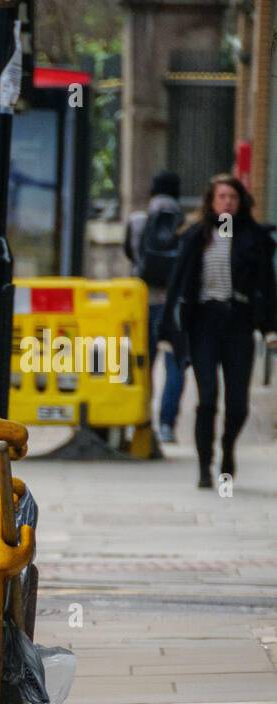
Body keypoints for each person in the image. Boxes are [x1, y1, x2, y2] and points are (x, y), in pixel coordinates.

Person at [163, 173, 277, 488]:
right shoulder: (197, 236)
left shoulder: (253, 238)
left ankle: (227, 447)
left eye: (233, 197)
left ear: (241, 202)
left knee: (238, 403)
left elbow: (267, 285)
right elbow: (178, 284)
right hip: (204, 322)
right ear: (211, 202)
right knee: (208, 397)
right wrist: (168, 331)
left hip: (238, 321)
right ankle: (204, 467)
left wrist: (269, 326)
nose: (227, 202)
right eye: (221, 197)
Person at [125, 170, 186, 442]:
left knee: (141, 364)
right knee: (175, 364)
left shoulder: (138, 220)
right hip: (174, 305)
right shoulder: (186, 223)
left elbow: (131, 253)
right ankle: (167, 425)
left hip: (142, 302)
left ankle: (141, 420)